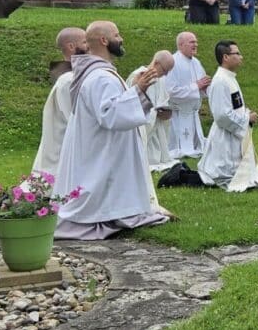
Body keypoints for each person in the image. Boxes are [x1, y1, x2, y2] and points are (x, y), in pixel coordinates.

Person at [54, 21, 175, 239]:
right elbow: (111, 115)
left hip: (101, 144)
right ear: (104, 40)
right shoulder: (100, 77)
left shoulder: (99, 74)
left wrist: (136, 90)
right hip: (102, 149)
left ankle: (121, 209)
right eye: (117, 35)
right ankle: (108, 212)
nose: (121, 39)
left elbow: (114, 106)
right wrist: (138, 90)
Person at [198, 40, 258, 191]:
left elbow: (235, 106)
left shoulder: (229, 78)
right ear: (226, 57)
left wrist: (245, 113)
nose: (241, 57)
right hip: (225, 138)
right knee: (224, 175)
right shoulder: (220, 81)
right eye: (237, 53)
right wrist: (247, 118)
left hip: (235, 136)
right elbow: (221, 116)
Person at [33, 27, 89, 177]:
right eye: (85, 42)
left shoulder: (72, 75)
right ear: (71, 46)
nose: (89, 46)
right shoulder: (68, 79)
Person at [126, 50, 179, 173]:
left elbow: (164, 101)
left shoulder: (160, 80)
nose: (165, 75)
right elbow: (130, 102)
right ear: (156, 63)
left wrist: (166, 112)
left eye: (167, 72)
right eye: (164, 70)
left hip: (156, 127)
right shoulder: (138, 76)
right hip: (142, 126)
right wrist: (154, 112)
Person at [166, 32, 210, 160]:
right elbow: (171, 91)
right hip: (178, 113)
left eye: (196, 42)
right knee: (177, 148)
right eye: (191, 42)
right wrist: (196, 86)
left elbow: (201, 87)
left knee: (196, 146)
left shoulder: (196, 63)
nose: (195, 44)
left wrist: (205, 87)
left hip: (192, 112)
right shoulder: (173, 63)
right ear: (180, 45)